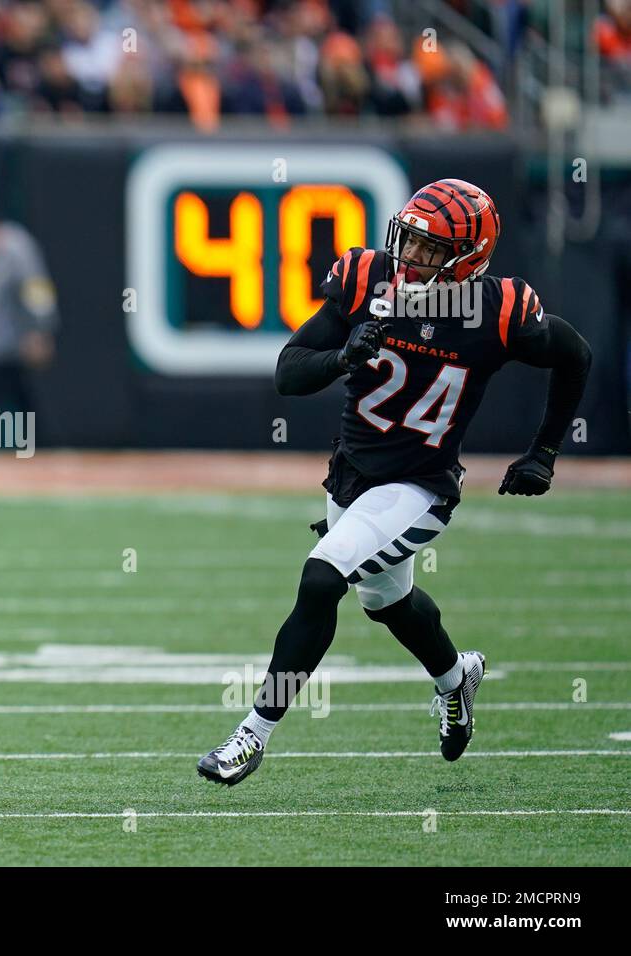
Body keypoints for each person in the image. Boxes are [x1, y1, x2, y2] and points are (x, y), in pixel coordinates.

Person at [197, 179, 592, 786]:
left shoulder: (500, 310)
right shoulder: (366, 280)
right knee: (389, 602)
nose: (409, 259)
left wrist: (544, 452)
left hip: (421, 484)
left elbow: (575, 354)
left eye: (429, 250)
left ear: (468, 258)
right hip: (351, 473)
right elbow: (288, 372)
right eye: (407, 241)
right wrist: (342, 358)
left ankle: (250, 734)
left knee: (320, 578)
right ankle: (456, 678)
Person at [0, 215, 58, 418]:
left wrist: (40, 329)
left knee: (21, 398)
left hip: (15, 346)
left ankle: (37, 444)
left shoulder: (16, 247)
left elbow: (36, 288)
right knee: (0, 399)